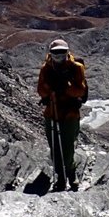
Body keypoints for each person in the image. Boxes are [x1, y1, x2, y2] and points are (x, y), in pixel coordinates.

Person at [36, 38, 87, 192]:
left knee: (68, 148)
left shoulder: (76, 68)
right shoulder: (46, 68)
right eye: (55, 55)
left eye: (62, 54)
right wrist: (51, 90)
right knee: (55, 148)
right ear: (50, 54)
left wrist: (65, 88)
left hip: (70, 114)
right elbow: (40, 89)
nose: (59, 58)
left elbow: (81, 90)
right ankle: (60, 177)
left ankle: (71, 174)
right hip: (52, 112)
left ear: (67, 53)